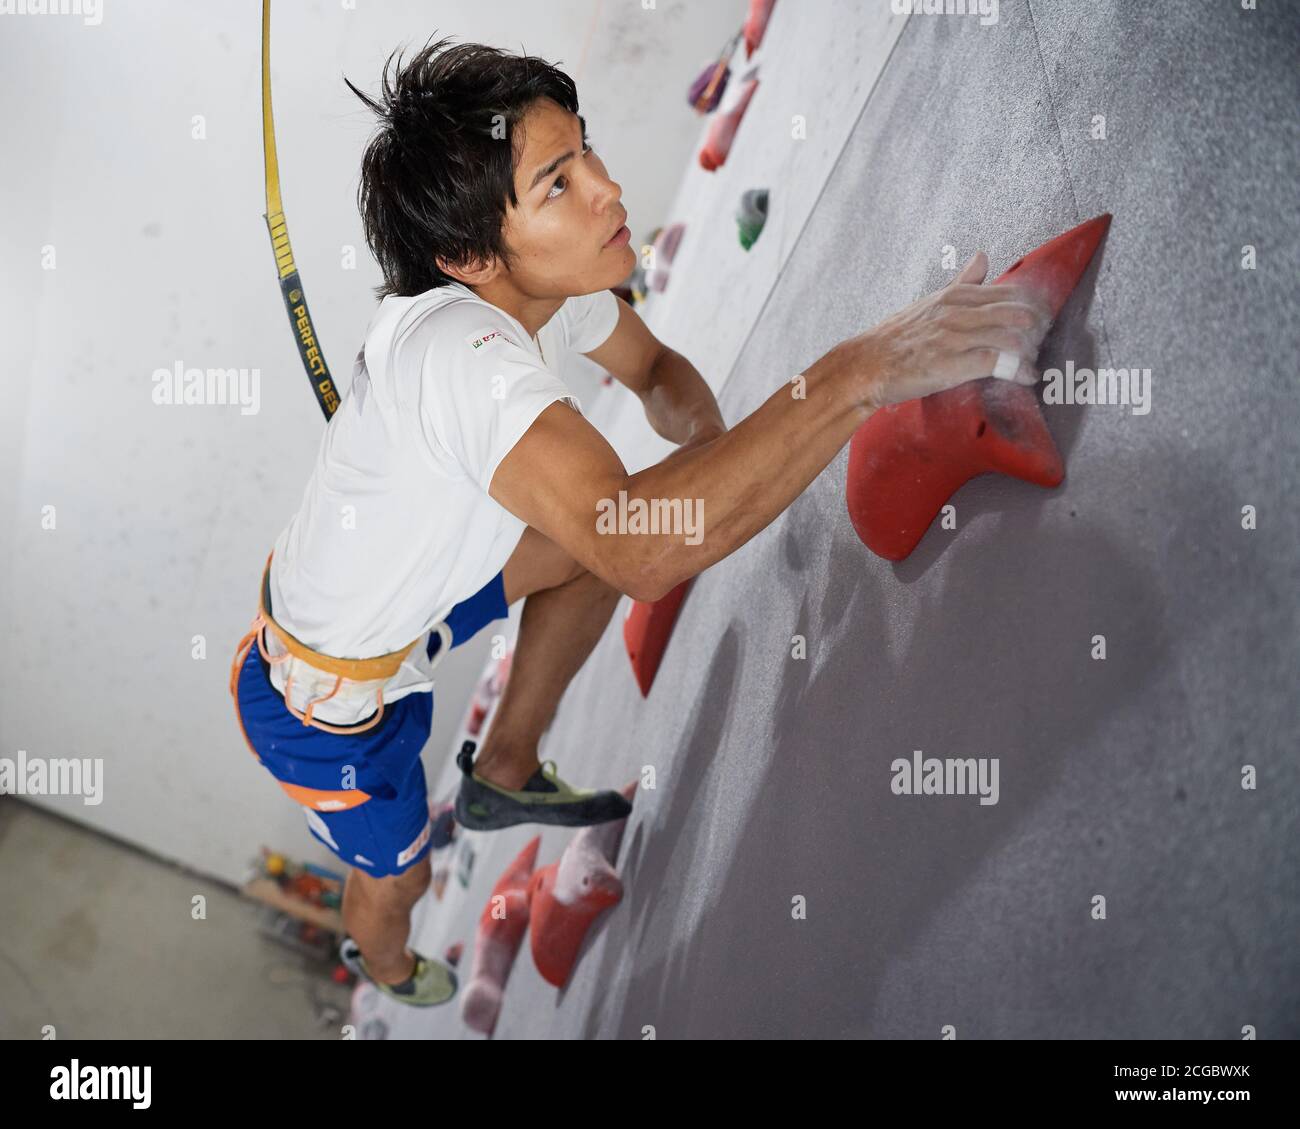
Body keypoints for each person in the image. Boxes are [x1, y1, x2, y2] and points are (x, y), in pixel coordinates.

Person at [230, 37, 1050, 1006]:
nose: (609, 191)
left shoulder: (549, 290)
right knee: (398, 876)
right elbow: (641, 546)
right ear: (467, 256)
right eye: (558, 184)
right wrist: (852, 375)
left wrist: (720, 454)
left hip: (420, 596)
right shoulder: (456, 354)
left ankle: (504, 764)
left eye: (587, 154)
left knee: (602, 530)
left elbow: (659, 375)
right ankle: (389, 964)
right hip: (320, 702)